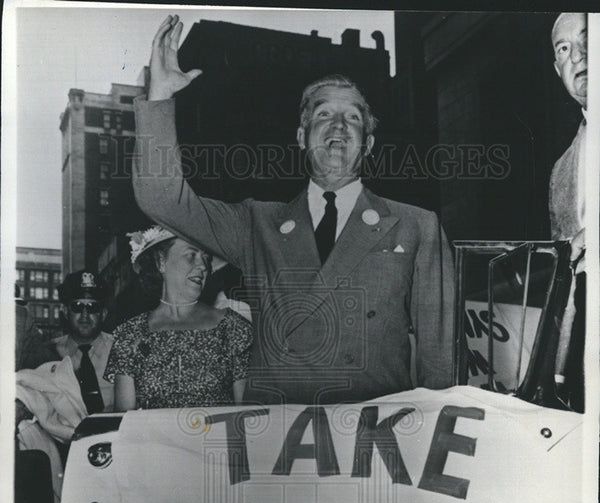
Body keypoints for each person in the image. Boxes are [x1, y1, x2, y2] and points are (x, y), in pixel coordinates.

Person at [133, 15, 456, 406]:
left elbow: (440, 362)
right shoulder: (258, 224)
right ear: (302, 138)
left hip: (373, 437)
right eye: (323, 115)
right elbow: (161, 199)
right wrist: (160, 98)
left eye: (352, 117)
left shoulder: (416, 226)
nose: (338, 125)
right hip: (281, 441)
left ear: (368, 144)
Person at [104, 226, 253, 410]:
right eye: (191, 256)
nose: (203, 266)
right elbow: (125, 422)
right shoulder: (130, 334)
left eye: (206, 258)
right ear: (161, 262)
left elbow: (246, 416)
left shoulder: (233, 327)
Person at [549, 12, 587, 412]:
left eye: (590, 37)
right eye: (565, 49)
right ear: (558, 68)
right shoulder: (560, 171)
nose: (580, 55)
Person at [53, 270, 115, 413]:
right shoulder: (49, 353)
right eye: (78, 306)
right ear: (65, 311)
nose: (85, 315)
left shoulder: (120, 350)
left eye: (93, 308)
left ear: (103, 314)